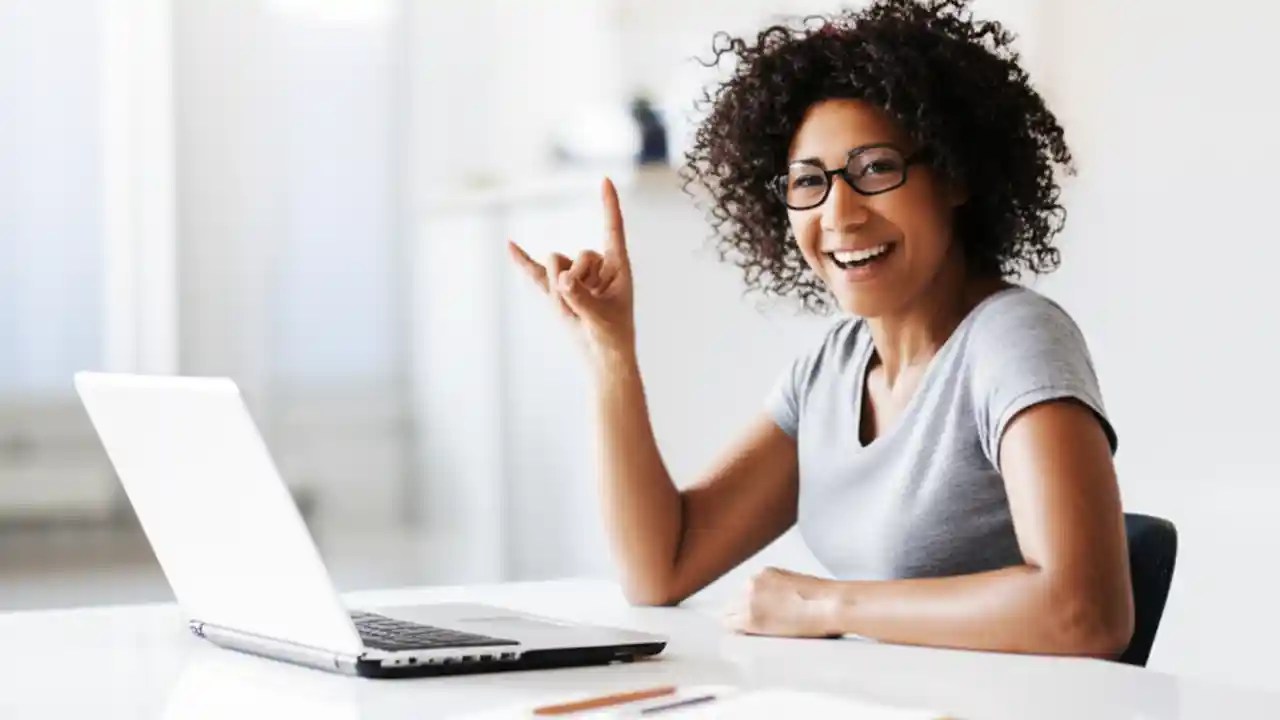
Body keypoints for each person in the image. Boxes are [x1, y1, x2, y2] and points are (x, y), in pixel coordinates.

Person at [507, 0, 1134, 658]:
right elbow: (661, 566)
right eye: (809, 181)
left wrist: (825, 603)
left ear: (953, 175)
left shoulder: (1012, 342)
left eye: (875, 170)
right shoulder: (833, 368)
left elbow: (1084, 613)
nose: (839, 213)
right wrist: (610, 353)